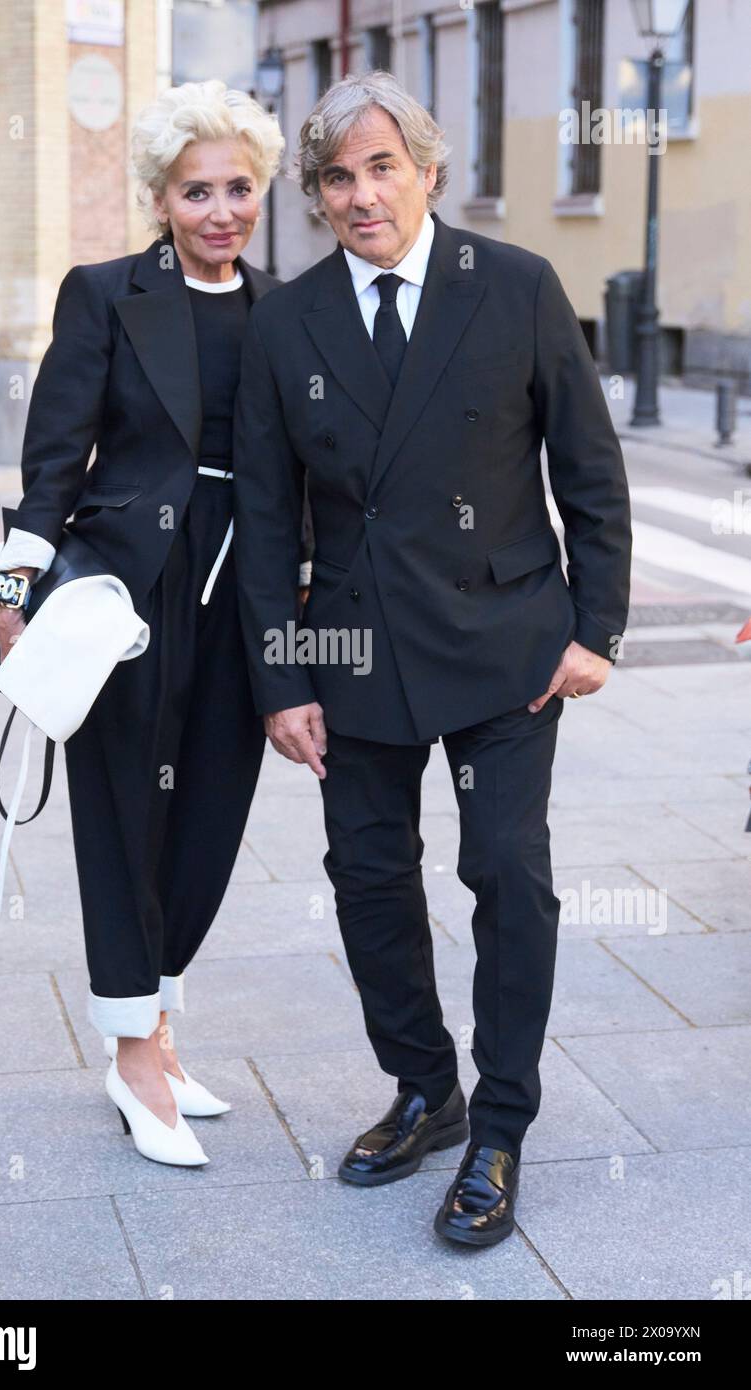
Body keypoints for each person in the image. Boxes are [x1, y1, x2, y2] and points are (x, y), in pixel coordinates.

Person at [233, 71, 632, 1243]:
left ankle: (500, 1127)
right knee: (367, 879)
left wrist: (592, 630)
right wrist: (280, 677)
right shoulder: (284, 319)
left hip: (505, 643)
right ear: (313, 196)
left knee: (506, 872)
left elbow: (588, 470)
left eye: (381, 167)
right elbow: (264, 517)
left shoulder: (511, 287)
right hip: (352, 652)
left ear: (427, 170)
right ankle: (425, 1089)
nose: (361, 195)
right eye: (337, 178)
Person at [0, 80, 284, 1166]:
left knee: (208, 814)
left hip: (241, 591)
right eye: (195, 190)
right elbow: (54, 452)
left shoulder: (286, 310)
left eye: (238, 189)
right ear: (161, 196)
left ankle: (154, 1021)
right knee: (122, 817)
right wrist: (16, 585)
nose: (219, 210)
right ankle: (131, 1054)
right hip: (126, 591)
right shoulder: (108, 293)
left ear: (261, 194)